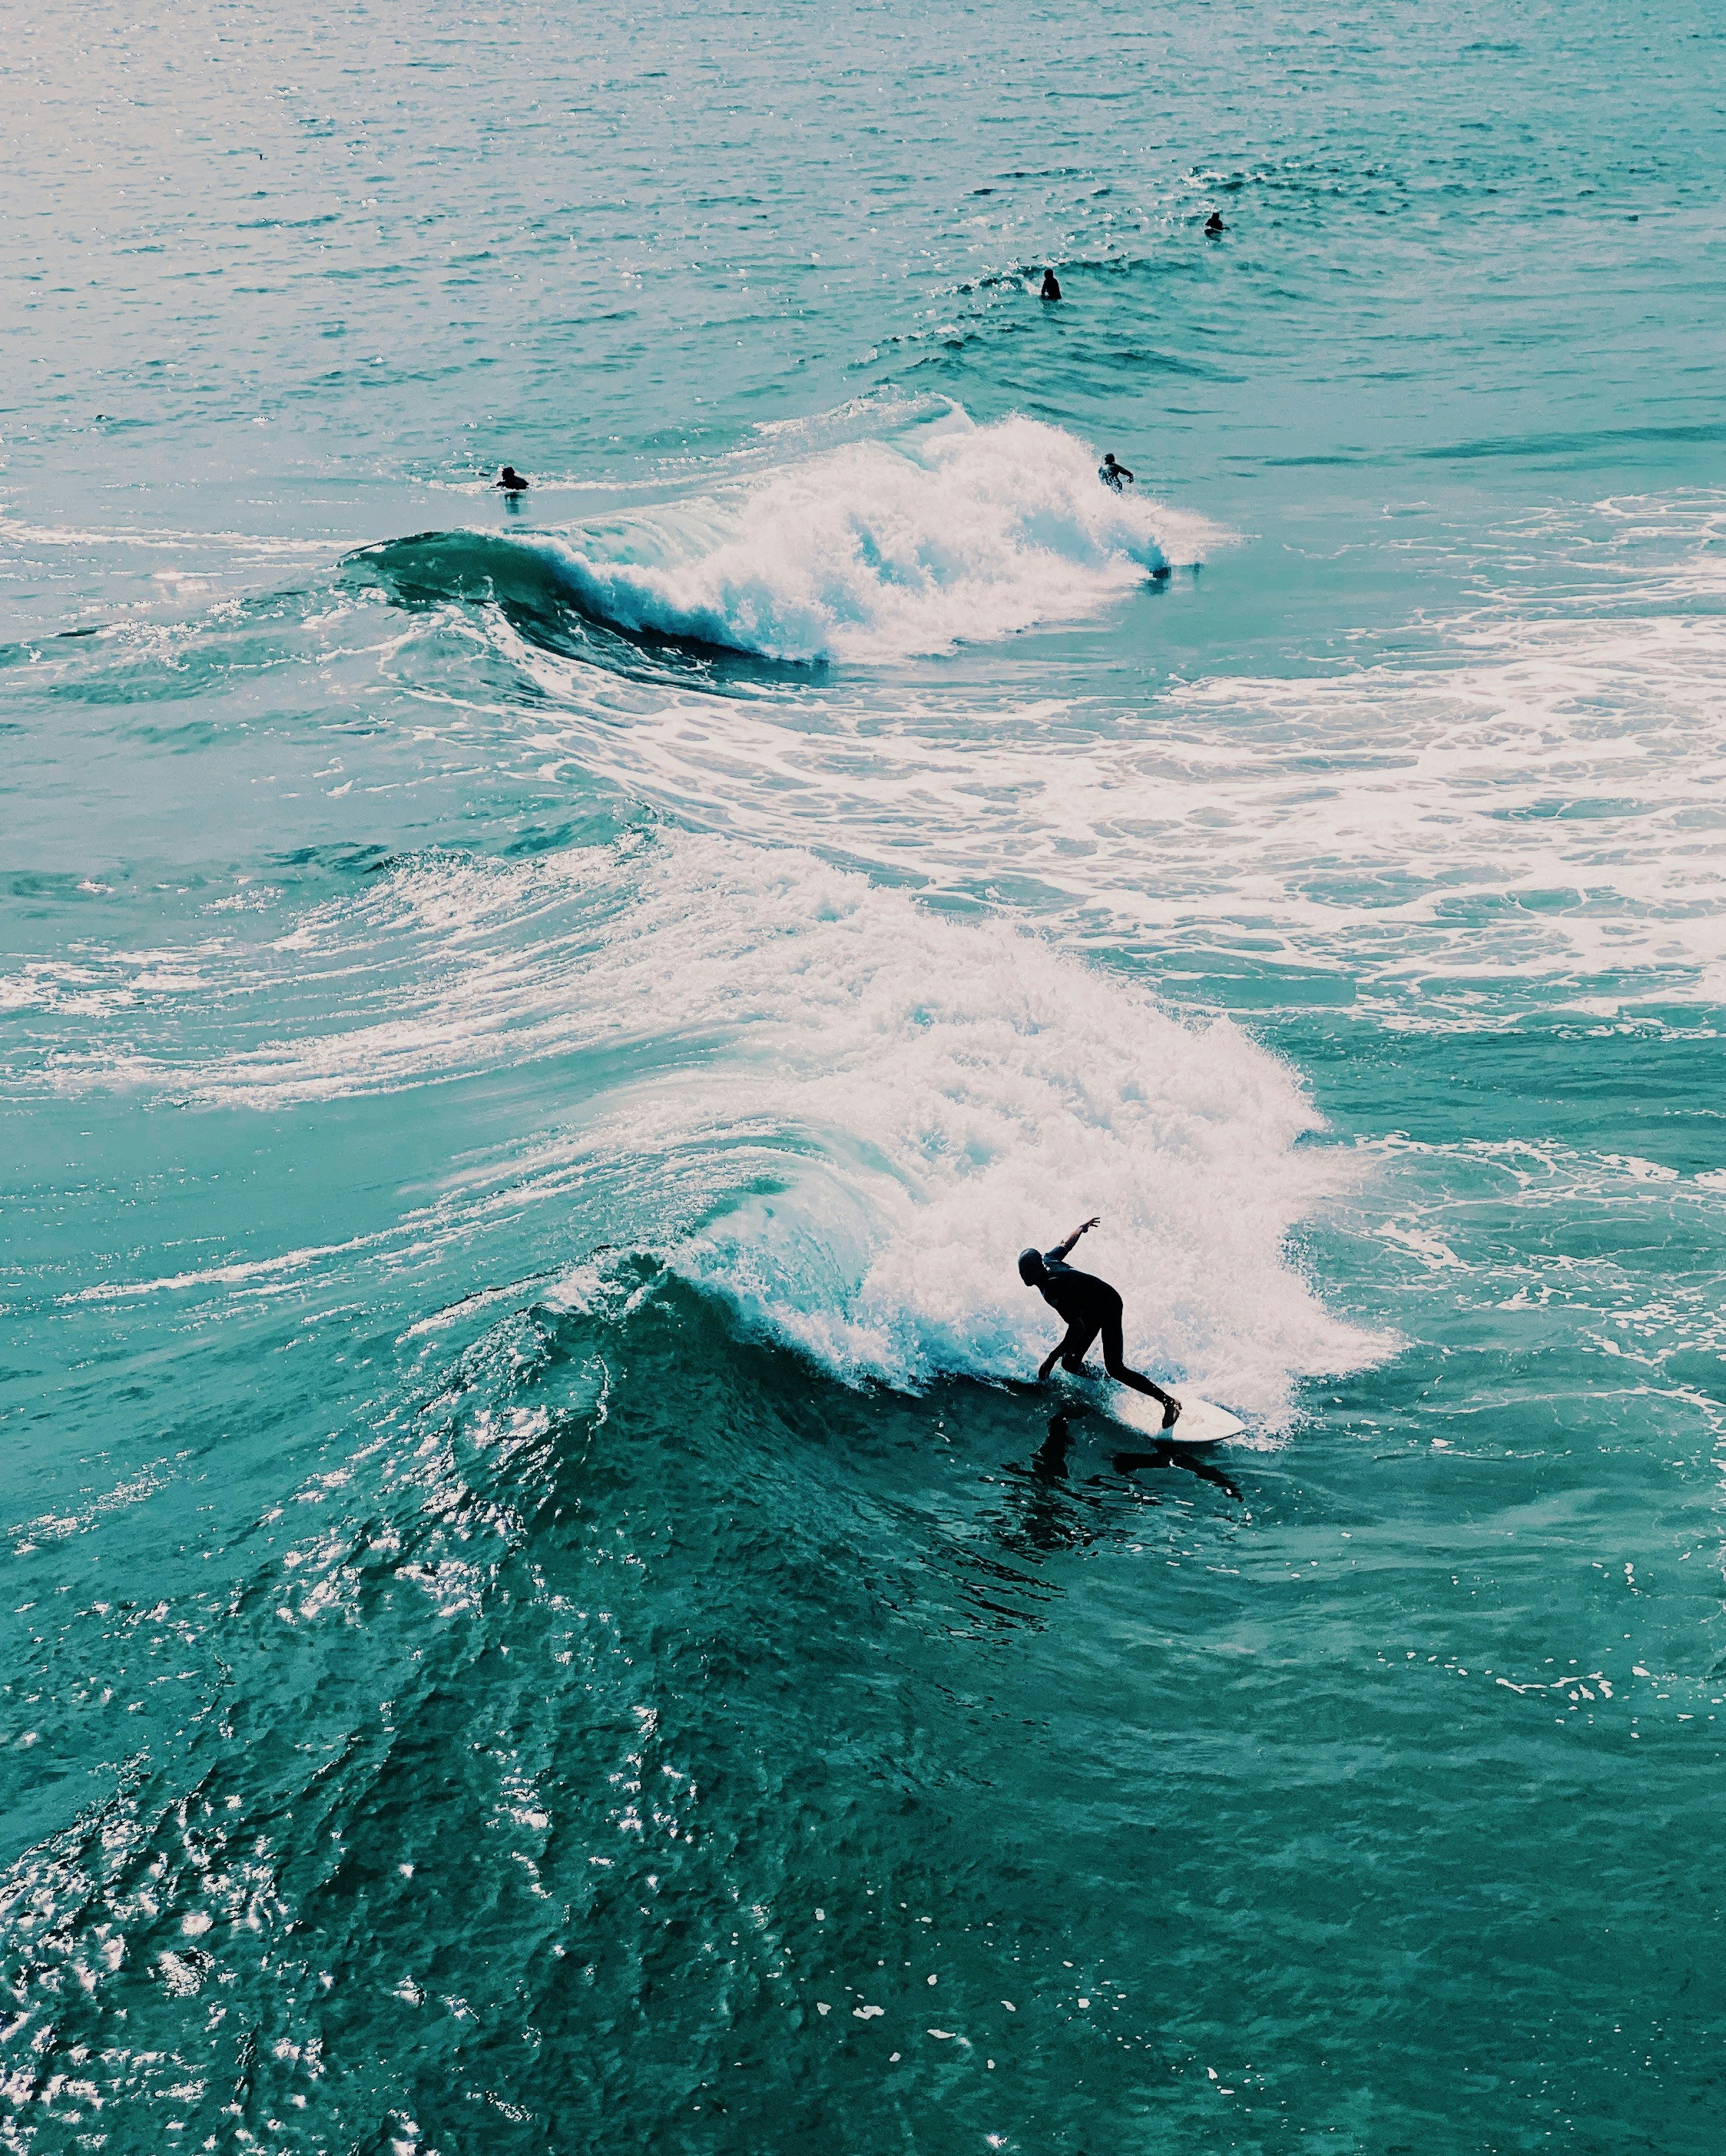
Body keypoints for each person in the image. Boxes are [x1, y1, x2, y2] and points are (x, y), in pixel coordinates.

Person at [1019, 1216, 1181, 1428]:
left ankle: (1169, 1402)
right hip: (1090, 1308)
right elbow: (1064, 1244)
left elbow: (1076, 1329)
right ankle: (1104, 1381)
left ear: (1038, 1269)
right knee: (1070, 1363)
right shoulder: (1047, 1259)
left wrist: (1051, 1358)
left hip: (1109, 1304)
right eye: (1022, 1273)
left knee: (1115, 1367)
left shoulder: (1053, 1288)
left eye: (1027, 1272)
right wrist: (1080, 1228)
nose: (1024, 1277)